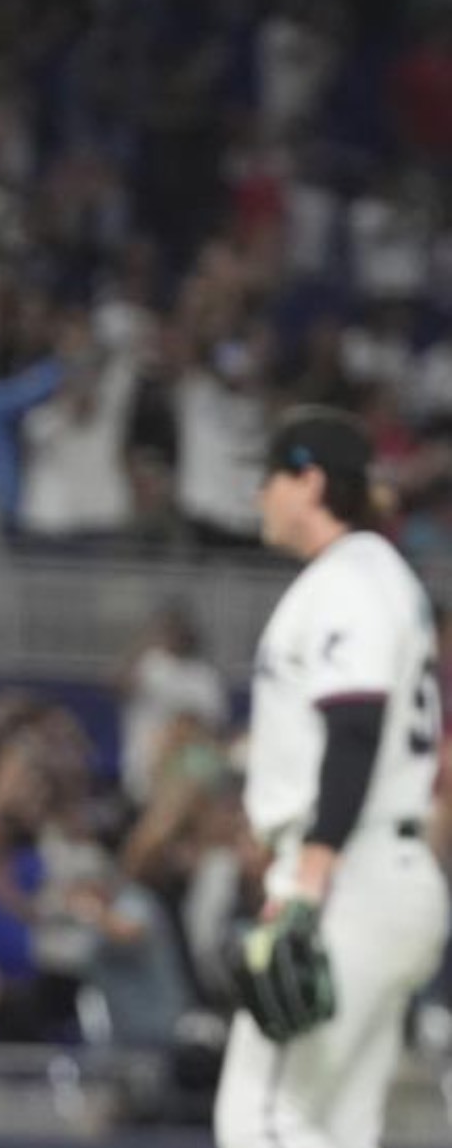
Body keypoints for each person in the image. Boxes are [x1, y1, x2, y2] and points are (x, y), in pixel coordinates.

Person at [214, 407, 451, 1148]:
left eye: (271, 477)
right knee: (337, 1127)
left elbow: (354, 727)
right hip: (391, 869)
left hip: (350, 875)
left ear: (310, 481)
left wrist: (310, 881)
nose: (259, 496)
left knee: (259, 1117)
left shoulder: (348, 580)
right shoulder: (382, 578)